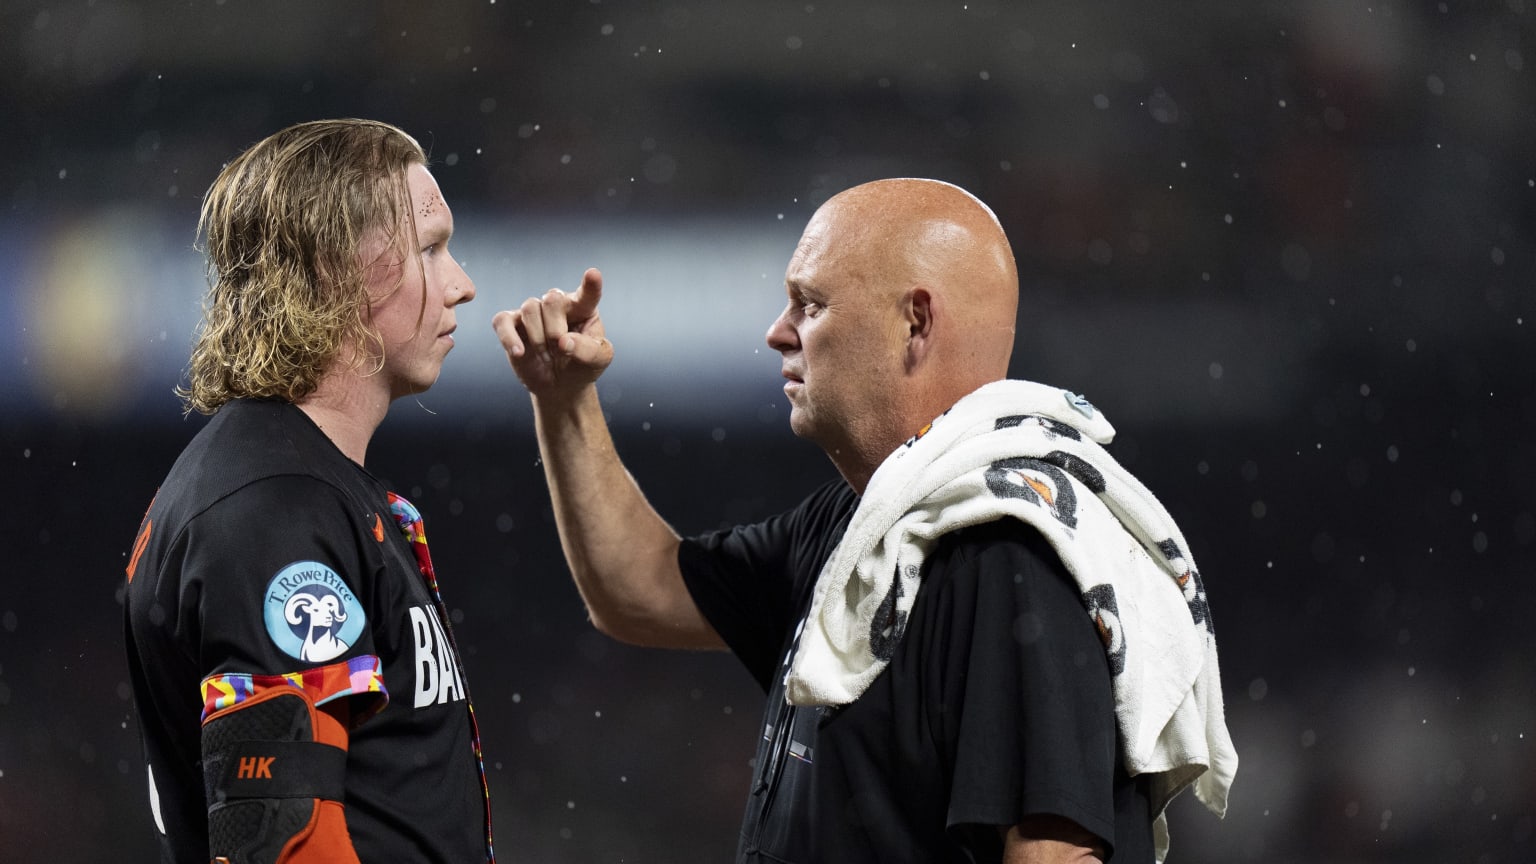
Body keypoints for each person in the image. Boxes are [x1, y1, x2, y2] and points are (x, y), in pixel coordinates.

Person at [494, 178, 1236, 863]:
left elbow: (1054, 854)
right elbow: (640, 591)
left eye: (810, 305)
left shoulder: (1006, 550)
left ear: (915, 321)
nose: (778, 333)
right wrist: (566, 401)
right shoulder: (874, 520)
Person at [122, 119, 494, 863]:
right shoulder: (271, 506)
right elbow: (282, 841)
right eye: (430, 248)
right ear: (336, 268)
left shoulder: (302, 484)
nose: (461, 283)